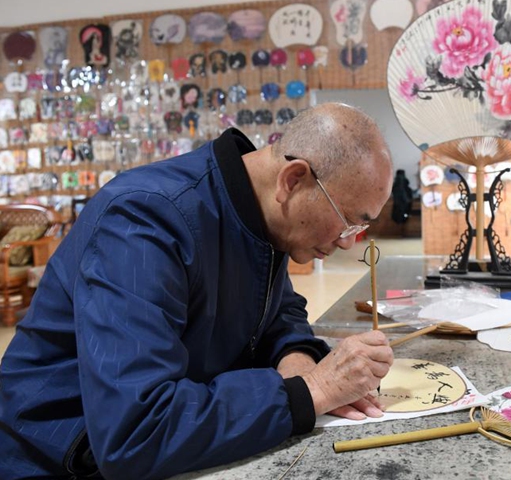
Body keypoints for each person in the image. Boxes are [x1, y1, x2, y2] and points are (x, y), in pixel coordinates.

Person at [0, 103, 395, 479]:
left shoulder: (264, 216)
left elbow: (277, 312)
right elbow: (136, 433)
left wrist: (298, 359)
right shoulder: (144, 221)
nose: (348, 243)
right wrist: (311, 391)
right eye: (348, 221)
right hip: (58, 461)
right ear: (293, 180)